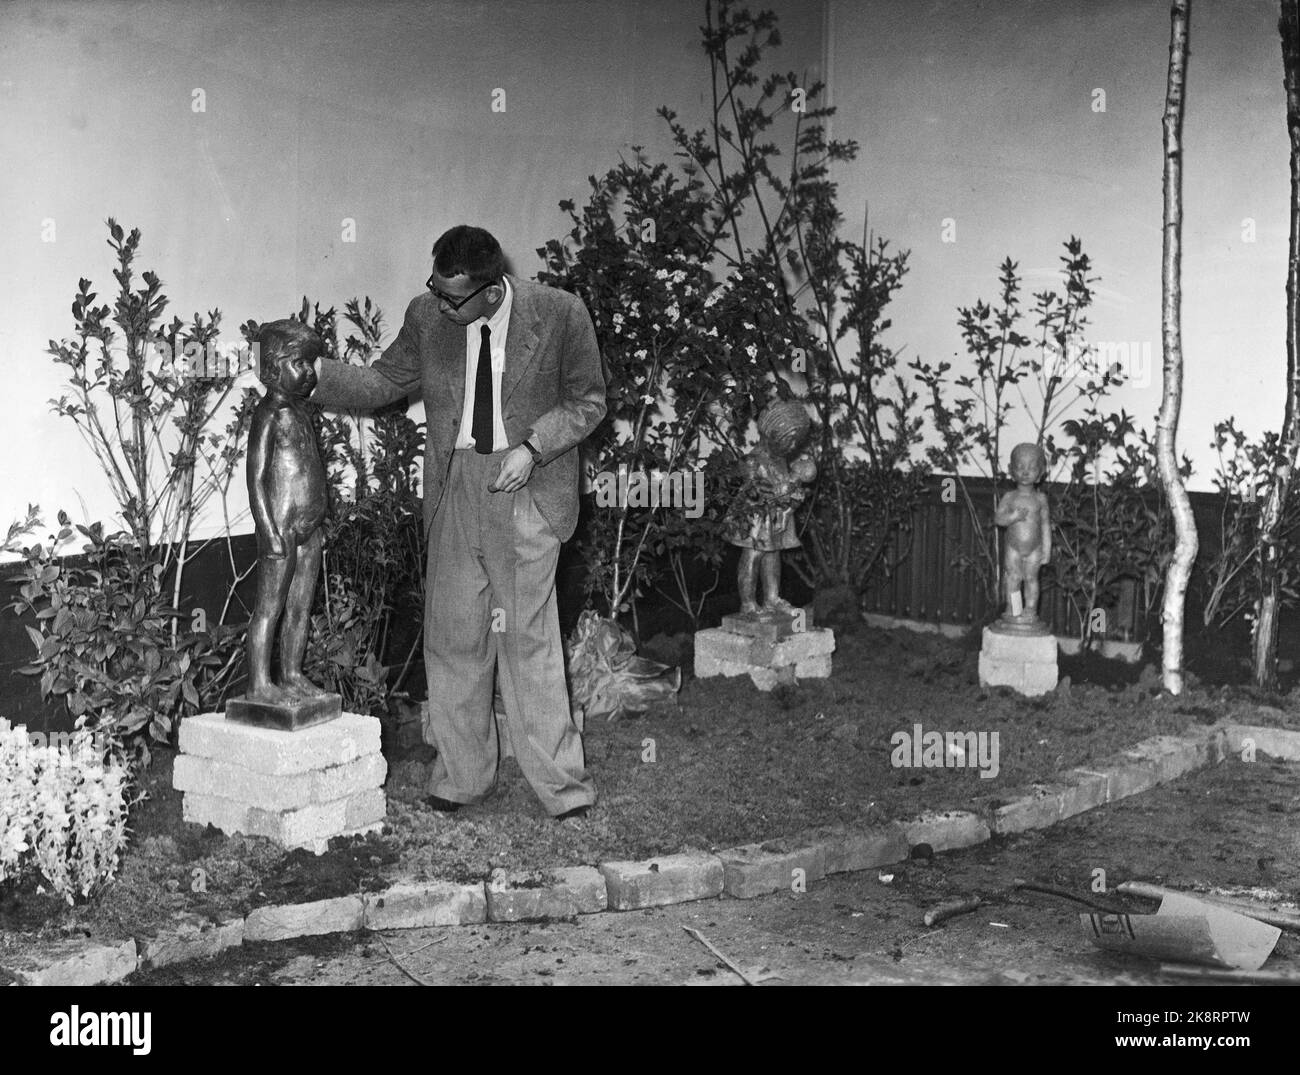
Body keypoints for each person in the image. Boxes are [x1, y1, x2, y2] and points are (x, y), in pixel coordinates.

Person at [310, 226, 606, 820]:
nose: (441, 306)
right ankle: (464, 776)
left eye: (453, 298)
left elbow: (588, 401)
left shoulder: (559, 313)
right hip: (454, 487)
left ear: (492, 291)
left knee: (526, 639)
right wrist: (313, 373)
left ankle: (561, 786)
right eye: (435, 291)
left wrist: (533, 447)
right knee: (452, 636)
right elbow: (386, 381)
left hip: (525, 484)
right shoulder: (428, 316)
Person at [243, 320, 332, 706]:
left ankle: (292, 673)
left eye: (311, 362)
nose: (309, 371)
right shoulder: (268, 416)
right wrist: (268, 530)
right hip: (280, 528)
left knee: (301, 606)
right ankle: (260, 683)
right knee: (270, 607)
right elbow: (256, 477)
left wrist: (321, 518)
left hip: (309, 528)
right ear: (272, 368)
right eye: (300, 362)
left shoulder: (301, 413)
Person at [727, 400, 817, 615]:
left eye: (797, 442)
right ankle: (748, 603)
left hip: (775, 517)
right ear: (771, 434)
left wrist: (791, 495)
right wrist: (778, 492)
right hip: (755, 516)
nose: (793, 447)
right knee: (753, 555)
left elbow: (785, 484)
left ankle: (772, 598)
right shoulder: (752, 461)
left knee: (773, 555)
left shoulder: (781, 460)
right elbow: (751, 490)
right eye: (789, 441)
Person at [993, 441, 1052, 626]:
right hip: (1013, 548)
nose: (1025, 472)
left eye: (1032, 467)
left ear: (1041, 472)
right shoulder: (1009, 497)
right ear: (1011, 470)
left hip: (1035, 549)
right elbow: (999, 519)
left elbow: (1045, 524)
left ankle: (1030, 610)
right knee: (1013, 579)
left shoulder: (1040, 499)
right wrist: (1013, 517)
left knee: (1031, 579)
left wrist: (1047, 549)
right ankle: (1014, 609)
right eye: (1020, 467)